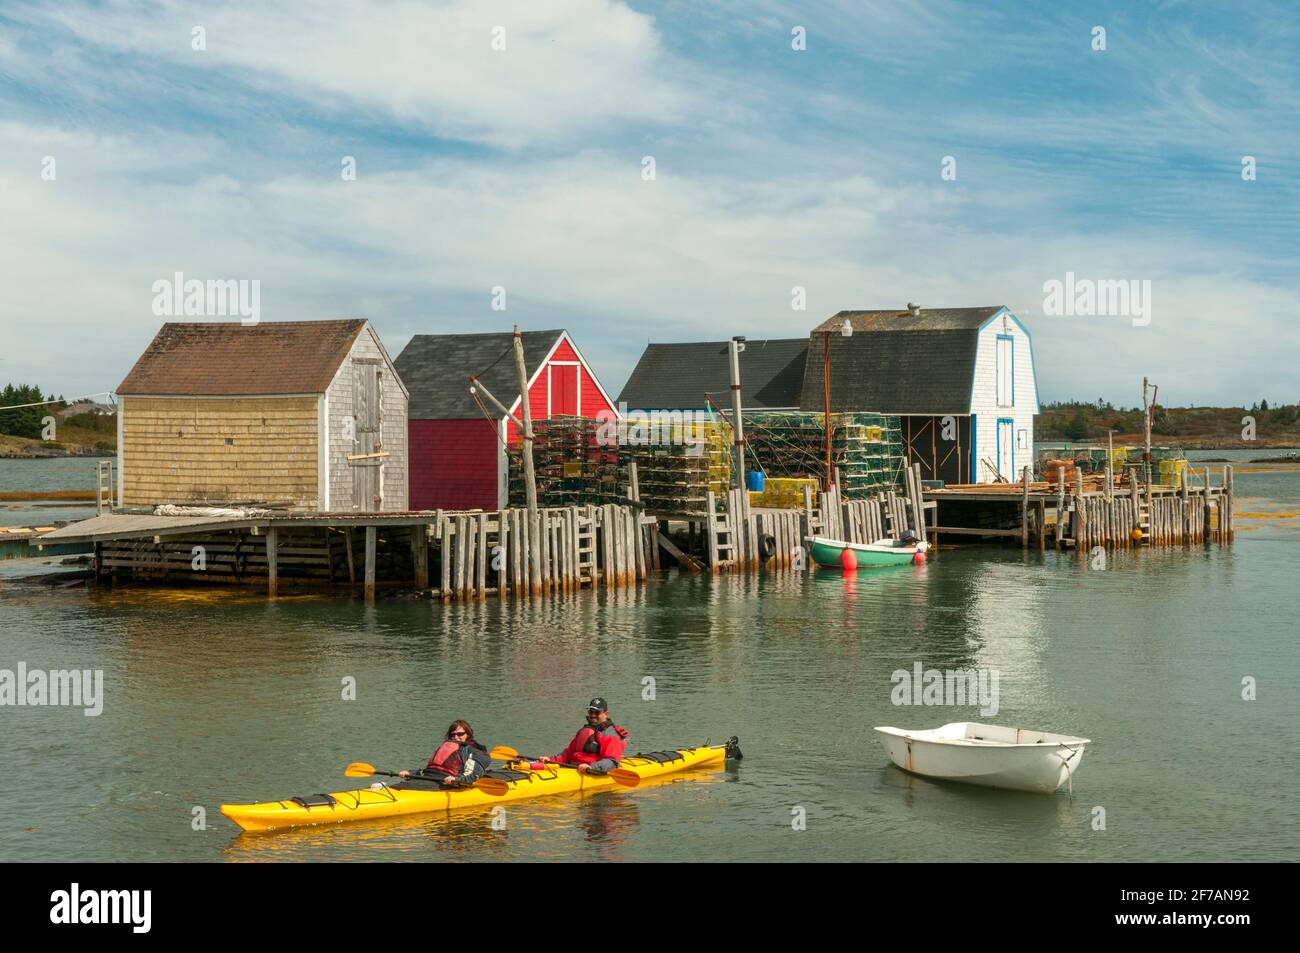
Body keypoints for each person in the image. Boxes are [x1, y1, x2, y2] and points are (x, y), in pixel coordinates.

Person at [537, 698, 628, 774]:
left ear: (606, 714)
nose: (593, 715)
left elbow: (611, 761)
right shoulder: (586, 731)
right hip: (574, 767)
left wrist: (591, 767)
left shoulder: (611, 734)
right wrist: (551, 760)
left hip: (591, 770)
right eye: (590, 712)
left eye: (597, 713)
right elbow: (569, 753)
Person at [399, 719, 488, 786]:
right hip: (431, 779)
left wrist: (456, 779)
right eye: (453, 734)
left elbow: (473, 774)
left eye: (460, 734)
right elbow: (431, 770)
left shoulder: (474, 751)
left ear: (468, 734)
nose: (456, 737)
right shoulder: (445, 747)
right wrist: (411, 774)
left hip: (450, 783)